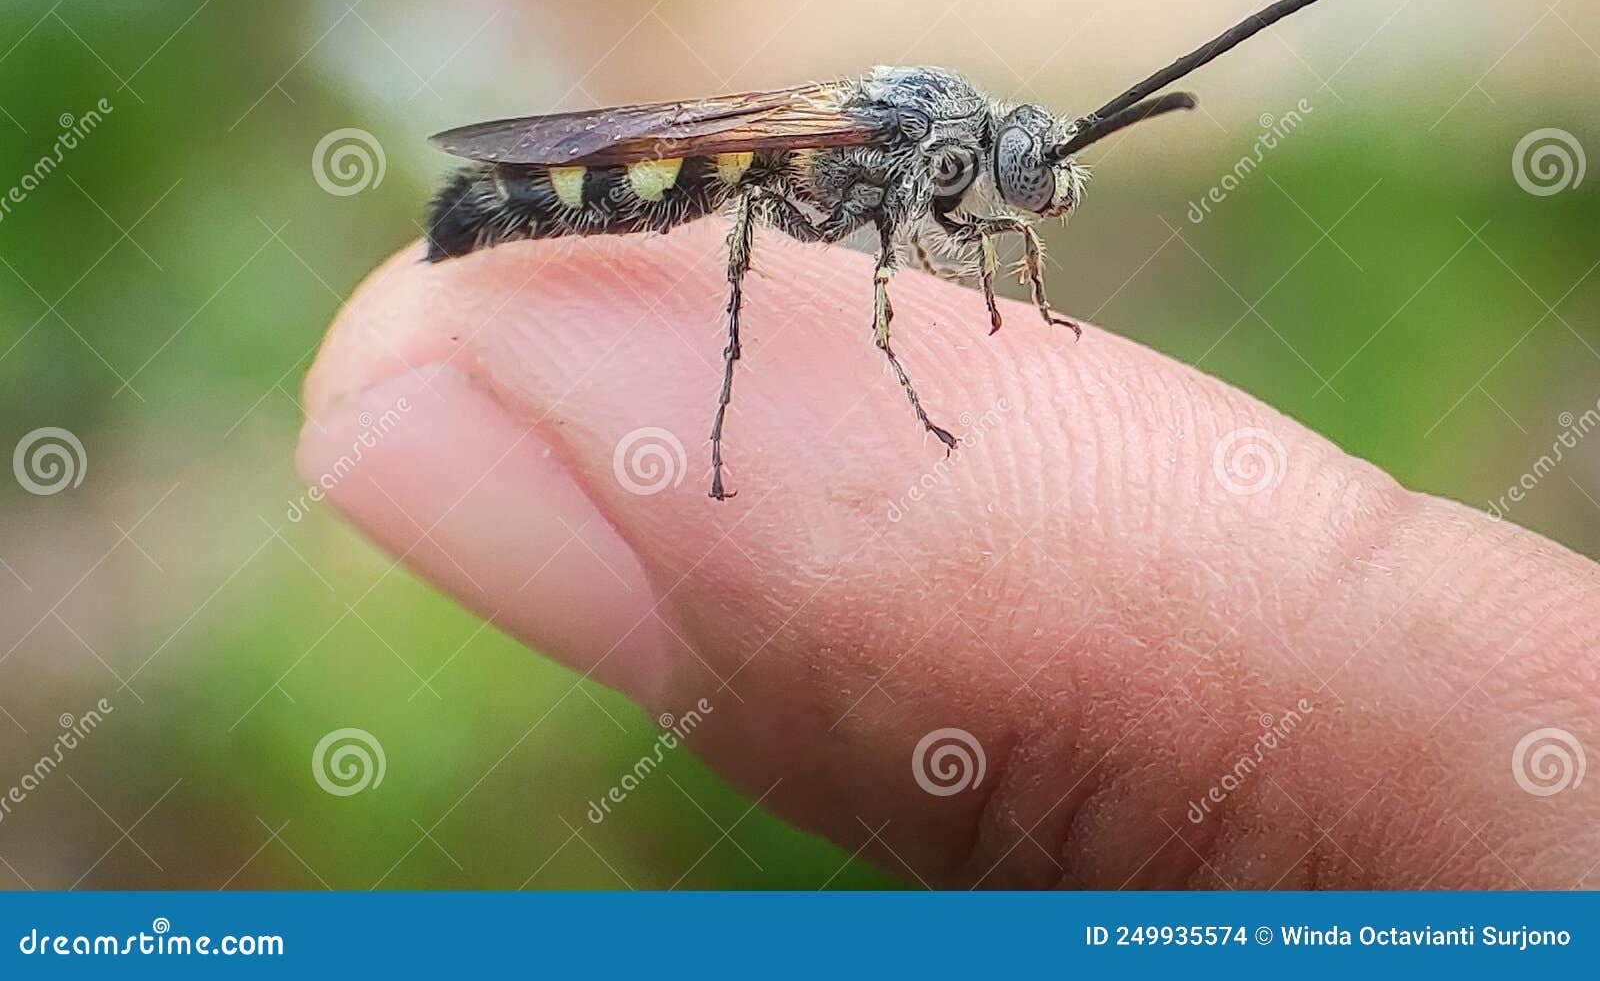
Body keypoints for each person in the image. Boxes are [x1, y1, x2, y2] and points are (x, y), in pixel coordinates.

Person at [298, 221, 1600, 889]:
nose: (1040, 194)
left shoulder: (942, 174)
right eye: (1031, 170)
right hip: (618, 225)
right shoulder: (876, 152)